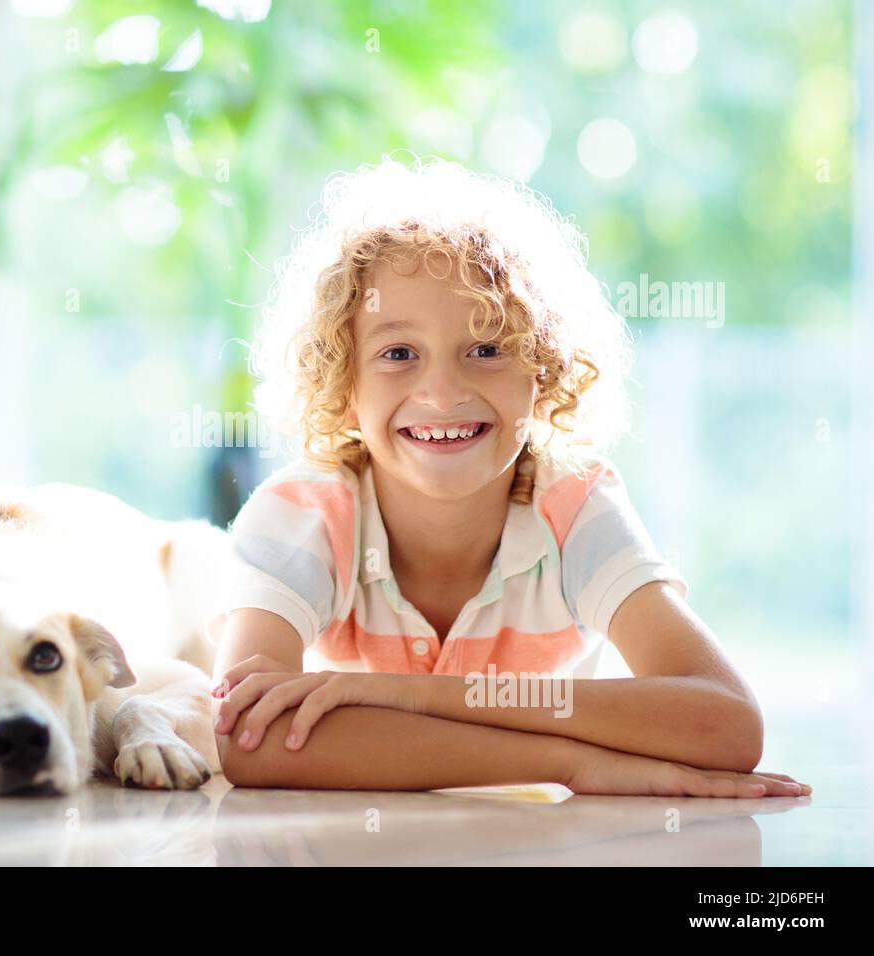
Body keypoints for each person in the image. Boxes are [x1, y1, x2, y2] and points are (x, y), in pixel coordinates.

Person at [209, 154, 809, 797]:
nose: (442, 393)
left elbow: (725, 724)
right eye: (399, 353)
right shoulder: (302, 512)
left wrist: (402, 696)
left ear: (542, 371)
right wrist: (569, 763)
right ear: (344, 383)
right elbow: (249, 737)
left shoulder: (574, 506)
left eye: (488, 349)